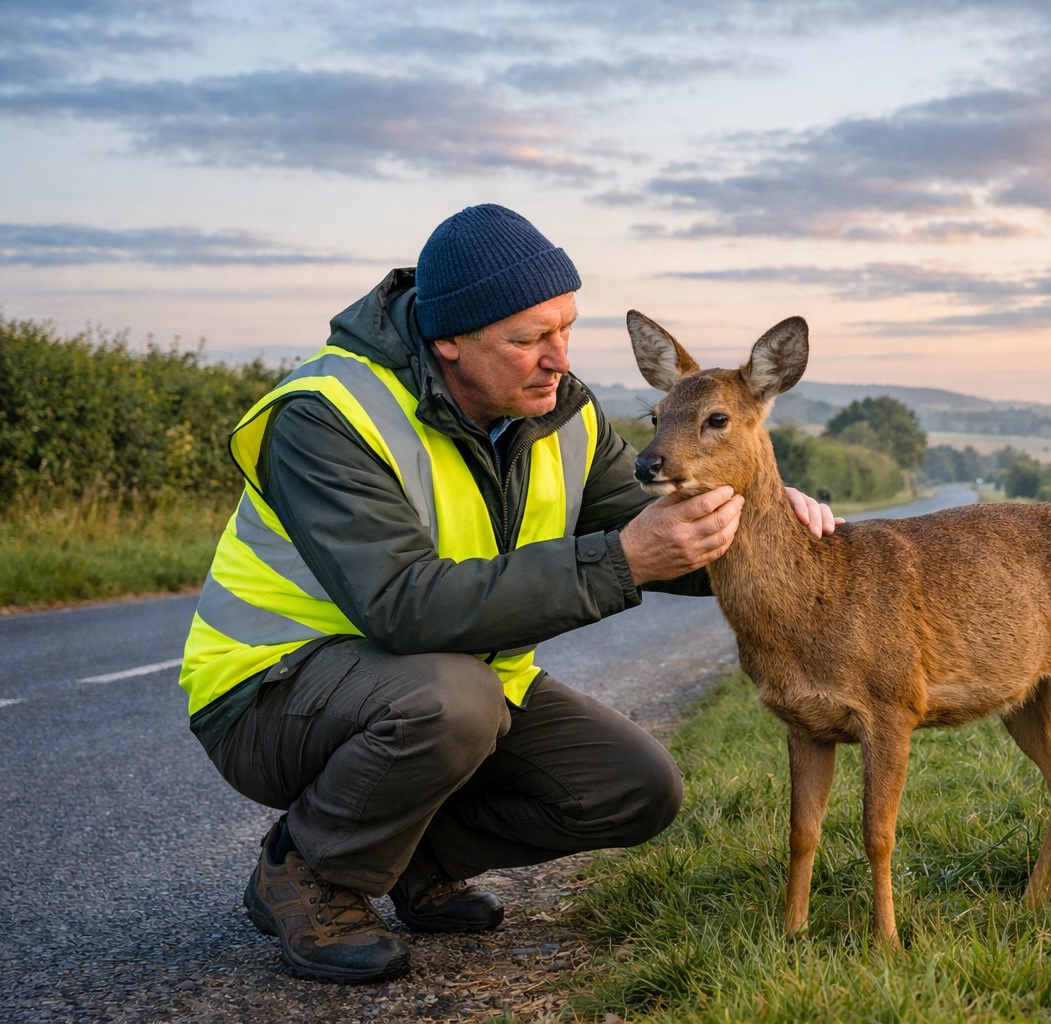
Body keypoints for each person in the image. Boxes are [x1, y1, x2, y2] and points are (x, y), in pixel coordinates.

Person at [178, 203, 838, 983]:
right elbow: (402, 604)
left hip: (444, 684)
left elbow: (671, 535)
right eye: (528, 339)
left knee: (634, 789)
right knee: (453, 701)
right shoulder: (327, 416)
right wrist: (623, 560)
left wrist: (764, 524)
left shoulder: (563, 413)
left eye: (565, 328)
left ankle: (405, 859)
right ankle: (310, 873)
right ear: (448, 339)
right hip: (271, 694)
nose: (557, 359)